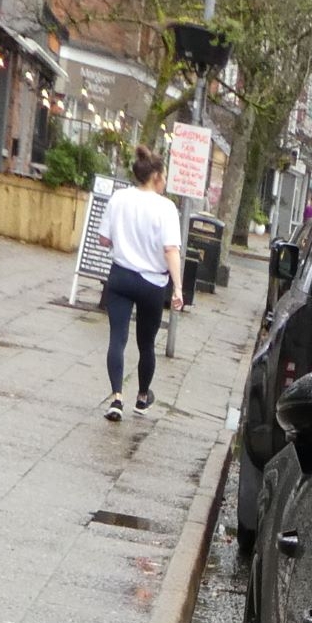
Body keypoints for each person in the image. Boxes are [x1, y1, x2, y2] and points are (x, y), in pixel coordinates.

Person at [98, 147, 186, 421]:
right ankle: (142, 397)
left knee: (117, 338)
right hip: (152, 284)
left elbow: (103, 239)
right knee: (146, 344)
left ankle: (116, 399)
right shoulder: (166, 207)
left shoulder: (119, 198)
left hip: (121, 276)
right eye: (165, 176)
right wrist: (179, 288)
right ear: (157, 176)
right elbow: (171, 250)